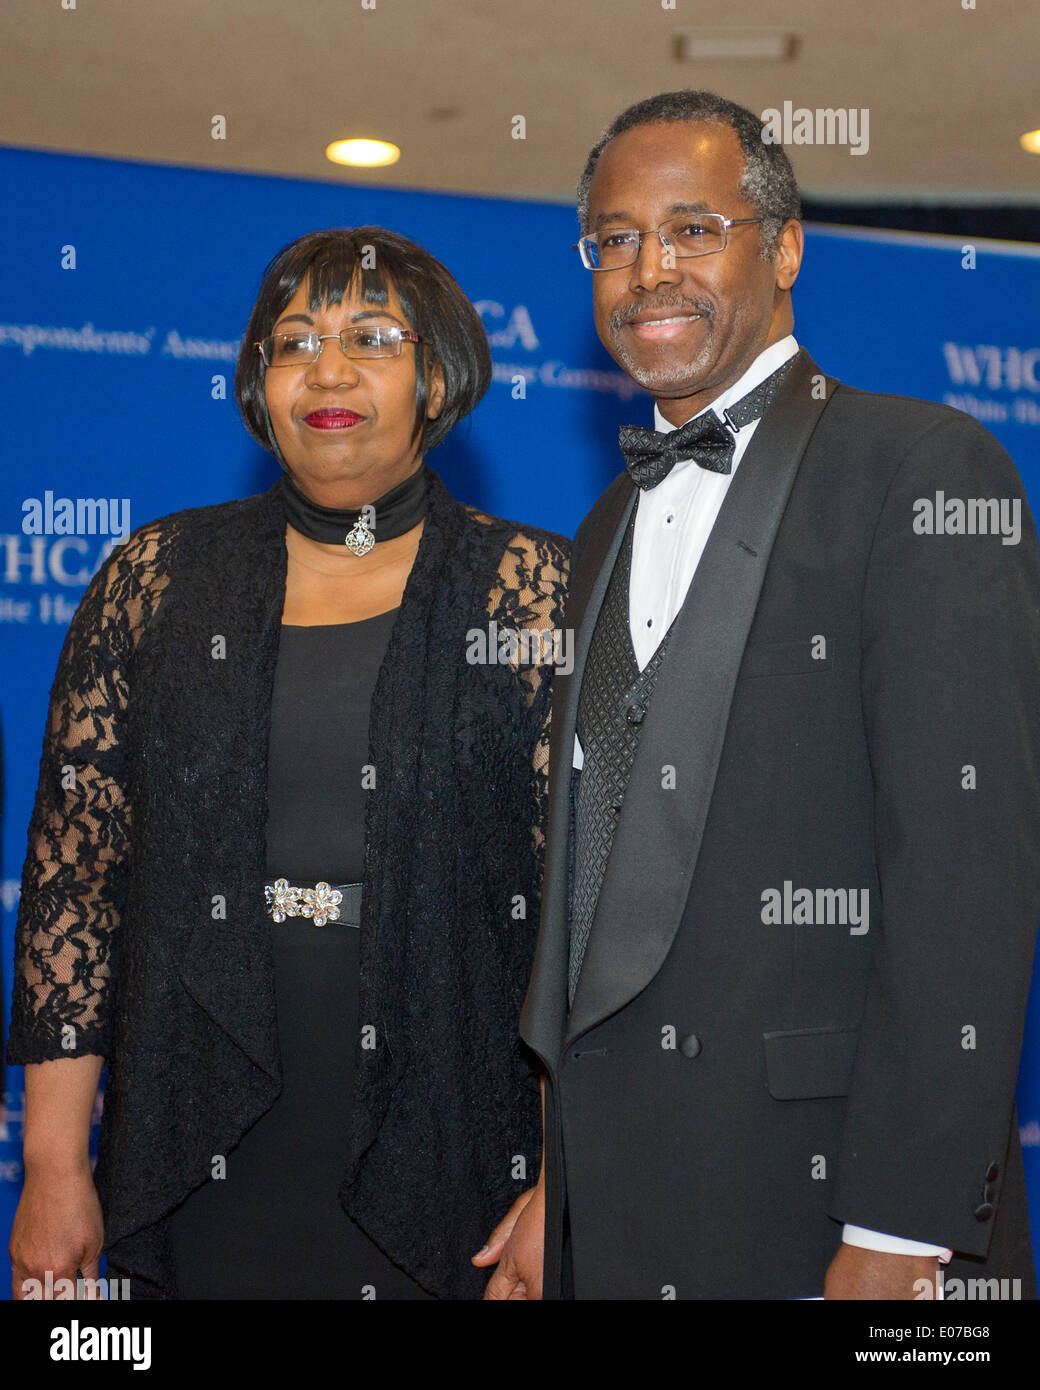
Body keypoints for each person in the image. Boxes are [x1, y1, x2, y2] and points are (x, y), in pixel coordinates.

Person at [478, 90, 1040, 1301]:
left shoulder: (921, 470)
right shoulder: (597, 530)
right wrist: (553, 1178)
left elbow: (965, 871)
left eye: (692, 228)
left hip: (825, 1204)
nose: (648, 269)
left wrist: (897, 1228)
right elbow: (593, 888)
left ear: (784, 249)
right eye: (615, 239)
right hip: (612, 1211)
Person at [7, 226, 569, 1300]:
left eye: (371, 337)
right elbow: (76, 893)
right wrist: (51, 1166)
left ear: (438, 379)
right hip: (202, 1114)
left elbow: (575, 921)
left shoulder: (531, 590)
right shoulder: (156, 582)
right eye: (293, 341)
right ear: (259, 388)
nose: (328, 370)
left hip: (454, 1129)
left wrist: (563, 1180)